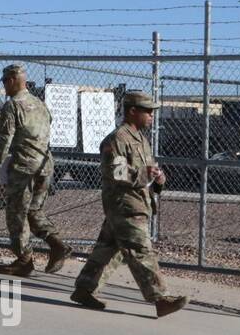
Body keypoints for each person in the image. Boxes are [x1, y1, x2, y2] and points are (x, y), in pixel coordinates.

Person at [71, 92, 188, 318]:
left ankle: (84, 289)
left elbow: (147, 173)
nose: (152, 115)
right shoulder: (117, 139)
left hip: (136, 203)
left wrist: (158, 179)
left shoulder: (140, 139)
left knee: (108, 249)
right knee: (141, 250)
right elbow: (115, 172)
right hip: (123, 205)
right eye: (147, 111)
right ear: (132, 111)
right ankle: (160, 299)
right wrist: (143, 174)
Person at [0, 63, 71, 277]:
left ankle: (24, 260)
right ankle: (57, 244)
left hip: (24, 166)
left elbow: (4, 140)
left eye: (5, 81)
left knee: (16, 214)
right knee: (33, 210)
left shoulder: (13, 105)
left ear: (14, 79)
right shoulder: (40, 104)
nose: (4, 86)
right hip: (45, 164)